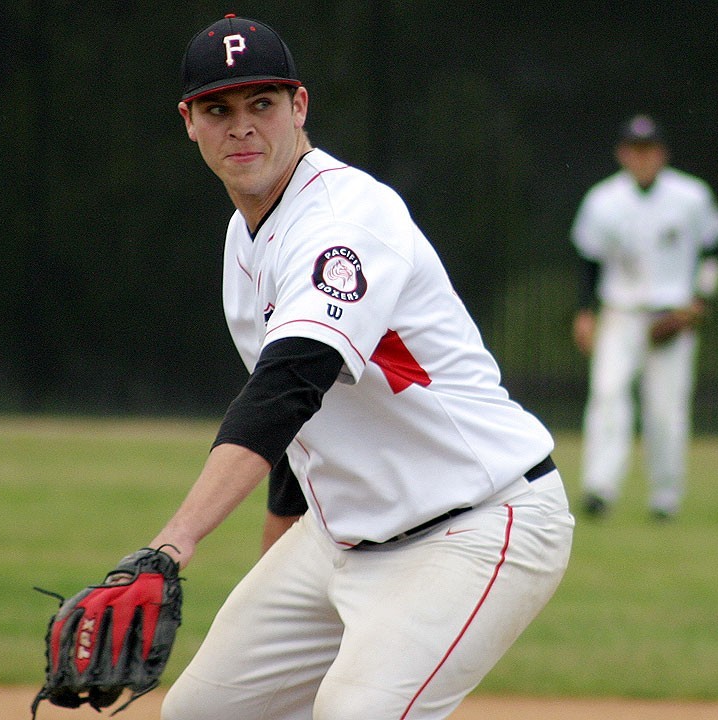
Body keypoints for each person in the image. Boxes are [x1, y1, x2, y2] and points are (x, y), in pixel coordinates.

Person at [149, 14, 575, 720]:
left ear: (300, 106)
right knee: (199, 714)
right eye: (219, 109)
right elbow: (298, 418)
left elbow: (292, 383)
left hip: (474, 521)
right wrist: (277, 548)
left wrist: (175, 539)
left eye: (263, 103)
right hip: (341, 536)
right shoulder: (245, 236)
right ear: (189, 122)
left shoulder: (345, 220)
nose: (242, 126)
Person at [570, 114, 718, 522]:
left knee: (665, 408)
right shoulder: (603, 200)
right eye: (634, 149)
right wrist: (584, 312)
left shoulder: (691, 196)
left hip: (671, 315)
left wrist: (698, 302)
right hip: (621, 312)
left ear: (662, 153)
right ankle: (599, 489)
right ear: (622, 153)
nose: (642, 158)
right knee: (607, 395)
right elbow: (588, 260)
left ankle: (665, 497)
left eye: (649, 150)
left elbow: (716, 249)